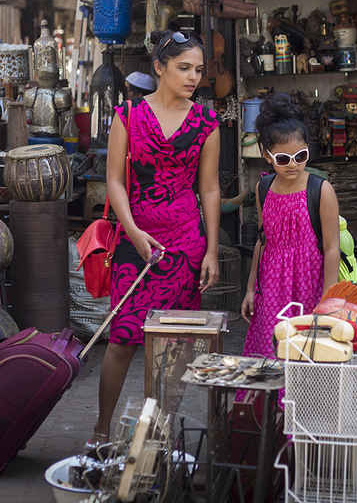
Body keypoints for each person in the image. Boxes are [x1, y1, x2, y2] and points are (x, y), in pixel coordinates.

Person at [93, 30, 221, 442]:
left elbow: (210, 189)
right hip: (136, 237)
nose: (193, 77)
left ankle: (157, 435)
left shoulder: (206, 122)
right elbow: (114, 181)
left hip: (184, 243)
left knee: (174, 344)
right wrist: (133, 231)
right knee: (121, 338)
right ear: (159, 68)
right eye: (184, 68)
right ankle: (101, 428)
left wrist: (212, 250)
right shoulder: (129, 115)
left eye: (198, 70)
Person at [240, 94, 340, 358]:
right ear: (267, 155)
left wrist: (328, 301)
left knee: (307, 355)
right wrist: (250, 289)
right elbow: (262, 240)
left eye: (301, 155)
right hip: (271, 288)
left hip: (310, 286)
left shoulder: (321, 190)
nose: (293, 164)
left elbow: (332, 248)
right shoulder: (263, 188)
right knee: (270, 354)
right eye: (283, 159)